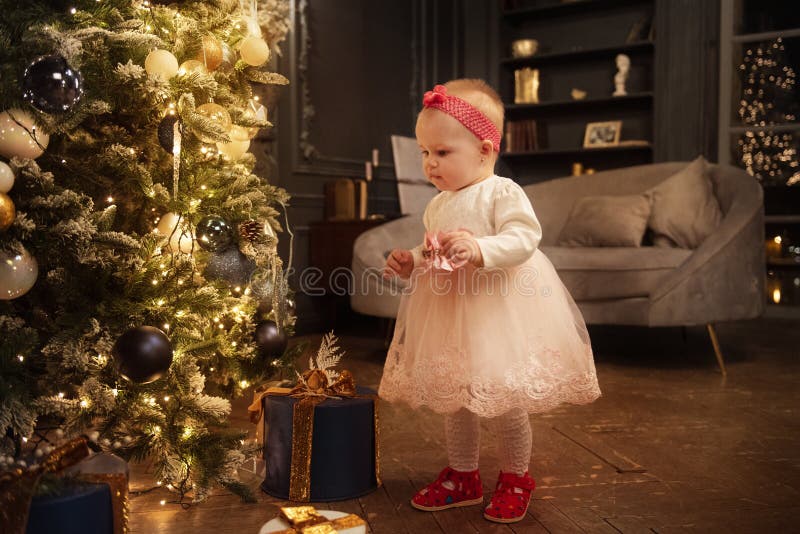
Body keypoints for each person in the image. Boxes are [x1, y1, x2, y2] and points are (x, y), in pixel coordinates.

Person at [379, 79, 601, 524]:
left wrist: (482, 250)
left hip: (498, 309)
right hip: (450, 312)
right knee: (456, 397)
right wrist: (414, 260)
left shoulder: (502, 192)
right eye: (425, 152)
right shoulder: (438, 205)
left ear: (484, 150)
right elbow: (434, 249)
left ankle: (516, 477)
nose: (430, 163)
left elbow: (524, 237)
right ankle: (463, 475)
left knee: (504, 398)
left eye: (442, 152)